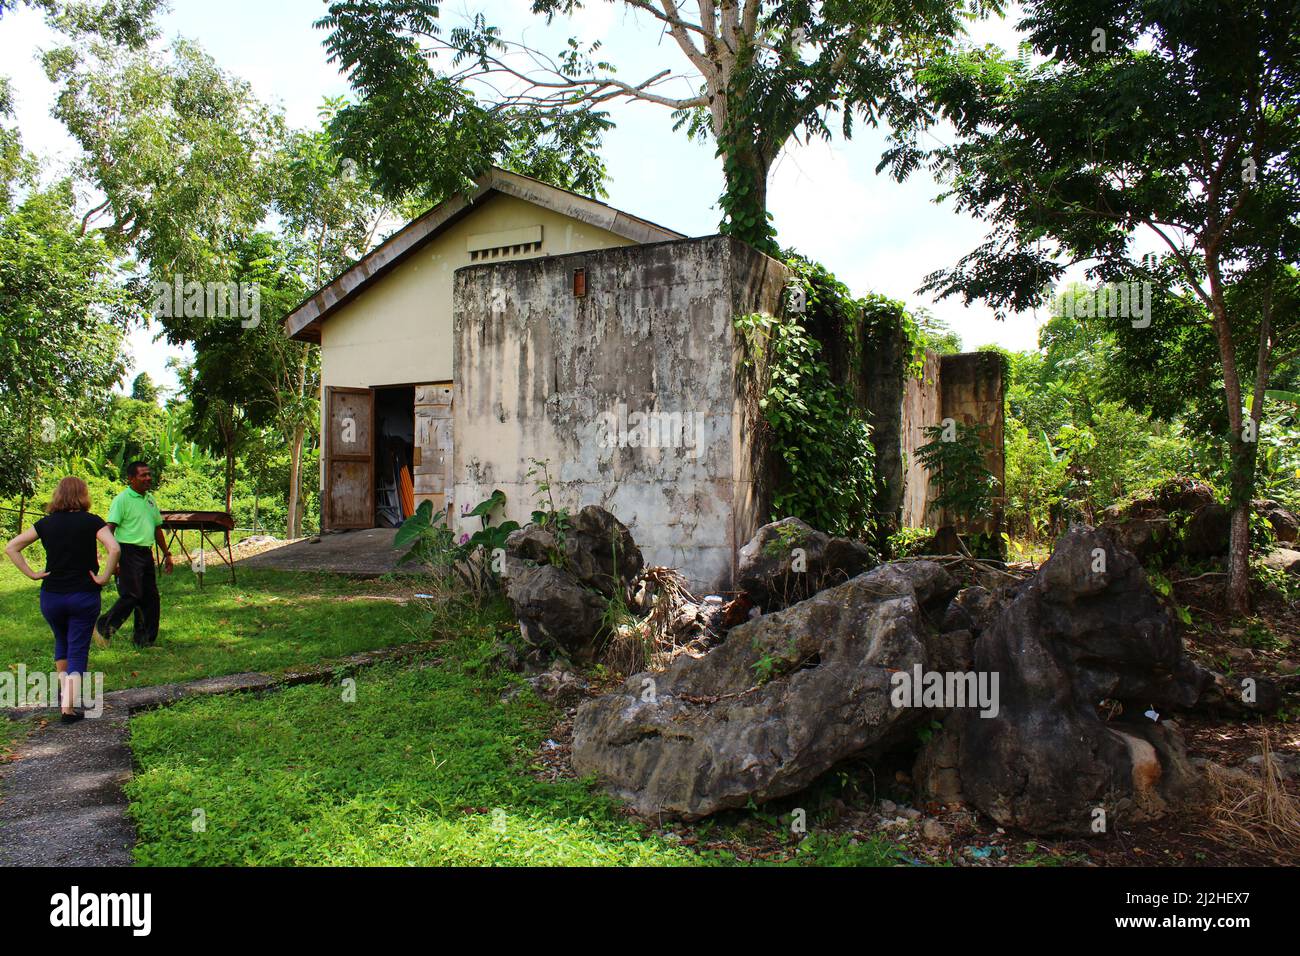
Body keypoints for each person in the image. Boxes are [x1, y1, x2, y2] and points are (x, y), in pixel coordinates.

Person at [4, 477, 120, 723]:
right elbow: (115, 549)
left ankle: (64, 695)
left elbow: (12, 547)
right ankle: (67, 708)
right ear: (83, 495)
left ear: (58, 495)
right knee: (78, 648)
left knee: (62, 641)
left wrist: (33, 574)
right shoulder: (92, 522)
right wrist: (103, 577)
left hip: (52, 596)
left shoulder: (46, 524)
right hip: (83, 595)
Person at [95, 461, 173, 648]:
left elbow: (157, 529)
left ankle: (144, 641)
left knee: (150, 598)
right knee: (132, 594)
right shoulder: (122, 500)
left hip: (146, 553)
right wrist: (112, 559)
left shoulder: (150, 499)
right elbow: (109, 529)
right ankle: (103, 627)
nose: (148, 478)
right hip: (127, 552)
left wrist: (167, 554)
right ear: (131, 479)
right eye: (143, 475)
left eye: (149, 474)